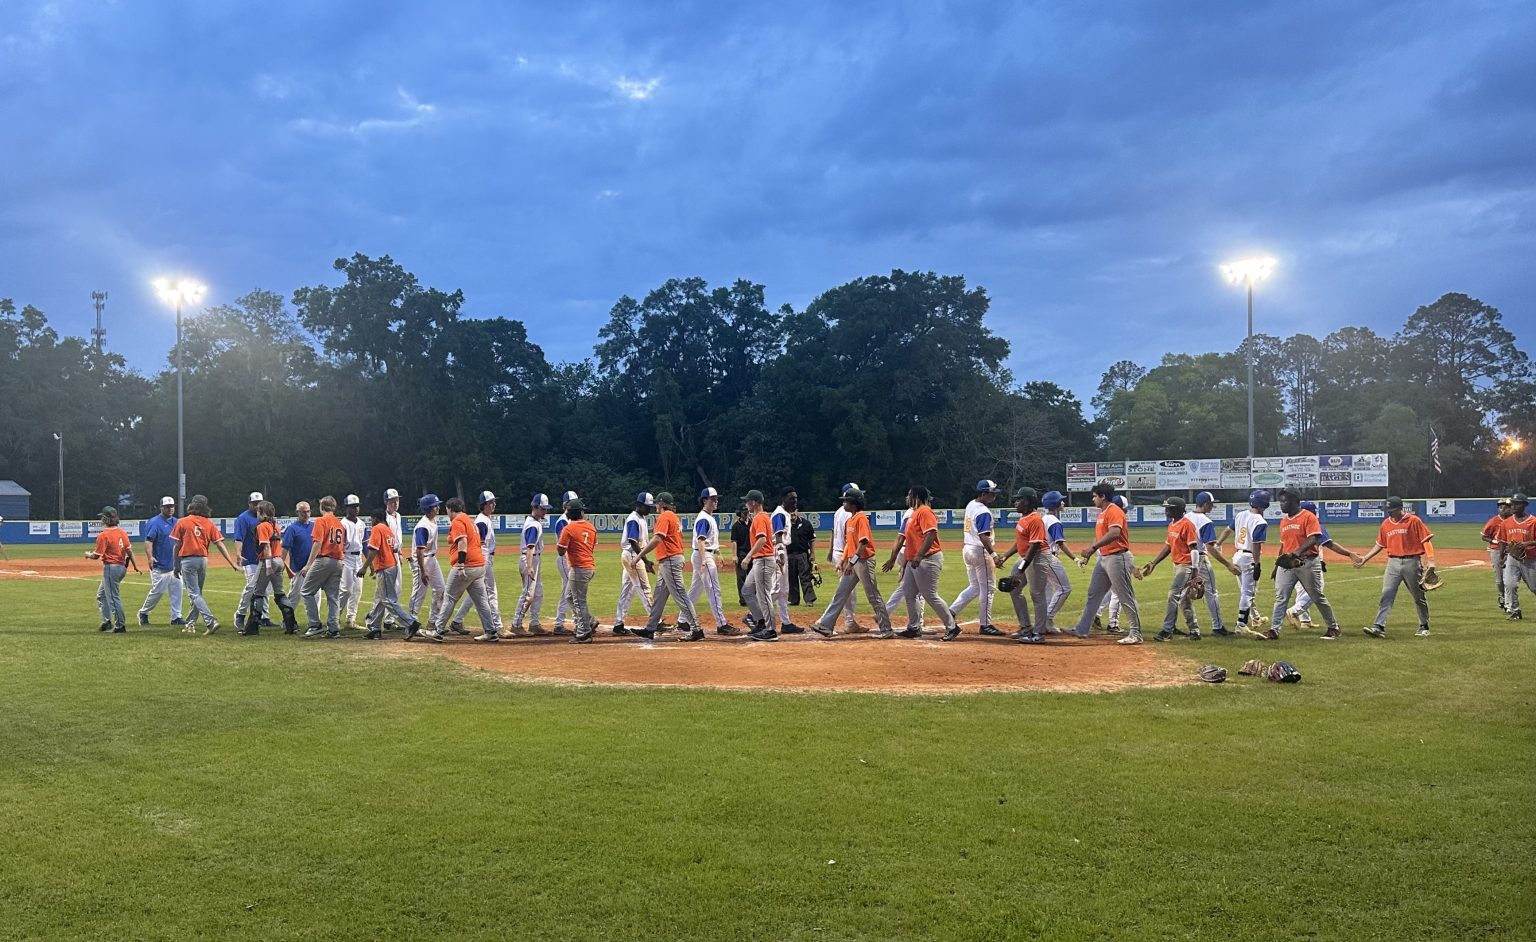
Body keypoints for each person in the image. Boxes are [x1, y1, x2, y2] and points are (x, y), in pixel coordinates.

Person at [810, 487, 893, 637]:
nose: (844, 504)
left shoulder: (861, 518)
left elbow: (863, 543)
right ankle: (826, 625)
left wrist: (851, 562)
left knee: (873, 596)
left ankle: (886, 629)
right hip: (854, 562)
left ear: (854, 503)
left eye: (846, 501)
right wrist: (843, 560)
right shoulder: (850, 520)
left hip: (864, 561)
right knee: (841, 593)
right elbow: (850, 543)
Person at [882, 485, 960, 641]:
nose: (907, 498)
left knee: (930, 594)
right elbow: (905, 538)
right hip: (914, 560)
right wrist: (896, 560)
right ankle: (914, 627)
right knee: (909, 593)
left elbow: (931, 534)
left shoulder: (924, 511)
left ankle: (952, 626)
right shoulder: (914, 513)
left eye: (909, 495)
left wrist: (919, 555)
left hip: (928, 559)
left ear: (916, 497)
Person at [1070, 482, 1143, 644]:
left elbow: (1115, 533)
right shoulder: (1102, 513)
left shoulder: (1114, 511)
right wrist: (1091, 551)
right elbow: (1099, 536)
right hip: (1104, 558)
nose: (1093, 499)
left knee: (1125, 596)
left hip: (1117, 557)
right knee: (1093, 594)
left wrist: (1093, 547)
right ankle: (1082, 628)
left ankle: (1136, 633)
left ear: (1103, 497)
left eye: (1095, 496)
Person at [421, 497, 500, 643]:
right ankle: (491, 631)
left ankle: (437, 630)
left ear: (450, 509)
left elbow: (462, 542)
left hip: (466, 565)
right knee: (481, 601)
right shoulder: (469, 519)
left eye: (447, 511)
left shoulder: (457, 521)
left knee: (449, 597)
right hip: (479, 565)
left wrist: (461, 564)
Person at [1267, 487, 1342, 640]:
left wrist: (1298, 551)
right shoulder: (1283, 522)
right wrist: (1277, 566)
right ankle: (1274, 630)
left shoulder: (1308, 517)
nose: (1282, 505)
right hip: (1287, 564)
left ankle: (1333, 627)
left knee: (1316, 596)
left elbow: (1314, 538)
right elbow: (1283, 545)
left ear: (1295, 501)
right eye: (1280, 501)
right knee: (1281, 597)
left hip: (1306, 562)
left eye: (1285, 501)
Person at [1355, 496, 1435, 638]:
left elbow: (1426, 540)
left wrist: (1431, 561)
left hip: (1412, 562)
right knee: (1387, 593)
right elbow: (1380, 544)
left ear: (1400, 508)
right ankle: (1379, 626)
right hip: (1392, 563)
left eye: (1392, 510)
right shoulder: (1386, 524)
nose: (1389, 512)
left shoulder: (1413, 521)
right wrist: (1365, 558)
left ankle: (1424, 625)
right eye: (1388, 510)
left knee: (1418, 596)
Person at [1284, 501, 1362, 630]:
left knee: (1302, 590)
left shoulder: (1290, 524)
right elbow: (1329, 544)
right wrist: (1349, 554)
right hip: (1309, 563)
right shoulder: (1313, 524)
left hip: (1293, 563)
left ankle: (1305, 620)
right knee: (1316, 590)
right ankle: (1295, 611)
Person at [1136, 497, 1204, 642]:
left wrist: (1195, 571)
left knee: (1173, 595)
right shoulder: (1172, 524)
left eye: (1169, 508)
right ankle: (1194, 631)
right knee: (1184, 600)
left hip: (1186, 566)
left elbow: (1194, 550)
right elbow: (1168, 546)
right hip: (1177, 565)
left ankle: (1167, 630)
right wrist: (1154, 563)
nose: (1166, 510)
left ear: (1179, 509)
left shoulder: (1187, 525)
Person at [171, 495, 240, 634]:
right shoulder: (209, 523)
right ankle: (190, 624)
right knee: (197, 594)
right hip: (203, 560)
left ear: (191, 505)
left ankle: (210, 621)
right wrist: (231, 563)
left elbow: (177, 546)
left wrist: (175, 565)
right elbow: (220, 544)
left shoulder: (182, 522)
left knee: (194, 594)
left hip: (188, 560)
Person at [637, 492, 701, 641]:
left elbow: (658, 538)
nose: (656, 507)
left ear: (661, 504)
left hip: (670, 560)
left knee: (680, 595)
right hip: (669, 560)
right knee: (659, 596)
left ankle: (696, 629)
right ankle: (650, 628)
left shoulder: (665, 517)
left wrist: (640, 556)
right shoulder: (673, 517)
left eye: (657, 504)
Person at [949, 479, 1006, 636]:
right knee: (988, 589)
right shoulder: (983, 511)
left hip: (968, 548)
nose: (994, 496)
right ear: (983, 493)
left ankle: (950, 612)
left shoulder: (971, 504)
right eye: (992, 493)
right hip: (980, 551)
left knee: (975, 586)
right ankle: (986, 625)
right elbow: (983, 536)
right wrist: (994, 555)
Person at [1217, 490, 1272, 636]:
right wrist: (1258, 563)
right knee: (1248, 593)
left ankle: (1255, 618)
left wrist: (1218, 543)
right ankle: (1241, 624)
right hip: (1248, 557)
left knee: (1246, 591)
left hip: (1237, 555)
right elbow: (1256, 544)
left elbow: (1228, 530)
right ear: (1265, 505)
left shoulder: (1241, 514)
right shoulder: (1260, 521)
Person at [996, 487, 1046, 644]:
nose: (1016, 502)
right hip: (1025, 558)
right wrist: (1004, 556)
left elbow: (1034, 547)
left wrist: (1020, 570)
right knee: (1014, 589)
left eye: (1019, 499)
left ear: (1028, 501)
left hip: (1037, 558)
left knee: (1037, 595)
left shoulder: (1035, 519)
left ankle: (1039, 633)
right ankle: (1025, 627)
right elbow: (1020, 543)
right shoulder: (1023, 518)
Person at [361, 508, 420, 640]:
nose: (371, 523)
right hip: (392, 565)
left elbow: (373, 551)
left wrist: (365, 567)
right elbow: (394, 548)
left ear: (376, 518)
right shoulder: (388, 530)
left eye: (372, 520)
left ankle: (410, 623)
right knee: (380, 598)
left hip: (384, 566)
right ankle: (375, 627)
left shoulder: (377, 528)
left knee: (387, 599)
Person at [687, 487, 738, 635]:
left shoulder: (709, 517)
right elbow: (701, 541)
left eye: (716, 498)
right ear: (704, 500)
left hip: (705, 555)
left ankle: (683, 619)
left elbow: (710, 542)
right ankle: (721, 624)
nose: (716, 501)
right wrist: (704, 560)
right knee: (714, 590)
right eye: (712, 499)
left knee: (695, 590)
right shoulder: (703, 518)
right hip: (703, 556)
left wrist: (718, 553)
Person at [1185, 492, 1238, 636]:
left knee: (1182, 593)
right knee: (1211, 593)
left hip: (1183, 558)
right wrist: (1227, 564)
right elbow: (1210, 547)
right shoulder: (1205, 521)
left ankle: (1179, 626)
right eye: (1211, 504)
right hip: (1200, 559)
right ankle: (1217, 626)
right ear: (1206, 504)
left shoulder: (1186, 517)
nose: (1213, 506)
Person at [453, 491, 504, 635]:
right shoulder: (482, 521)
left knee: (475, 593)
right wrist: (481, 561)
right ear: (484, 505)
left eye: (494, 502)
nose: (494, 505)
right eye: (490, 503)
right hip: (483, 557)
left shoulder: (485, 519)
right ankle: (497, 626)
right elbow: (478, 543)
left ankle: (457, 620)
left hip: (485, 557)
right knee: (491, 591)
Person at [242, 500, 295, 636]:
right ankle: (291, 624)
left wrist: (268, 566)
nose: (257, 514)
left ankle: (252, 627)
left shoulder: (263, 526)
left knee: (257, 593)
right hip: (279, 560)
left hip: (268, 561)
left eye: (259, 511)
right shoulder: (275, 525)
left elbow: (266, 547)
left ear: (262, 512)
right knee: (280, 593)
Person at [87, 507, 139, 632]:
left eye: (102, 517)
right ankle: (107, 622)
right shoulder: (122, 533)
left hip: (111, 568)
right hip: (121, 567)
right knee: (101, 595)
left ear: (105, 519)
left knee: (113, 597)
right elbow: (129, 551)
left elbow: (96, 556)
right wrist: (135, 566)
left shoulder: (103, 535)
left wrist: (88, 555)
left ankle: (120, 625)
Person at [301, 496, 346, 639]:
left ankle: (315, 625)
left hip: (324, 559)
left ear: (322, 507)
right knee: (333, 596)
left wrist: (308, 565)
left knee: (306, 591)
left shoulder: (321, 521)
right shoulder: (339, 523)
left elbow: (317, 543)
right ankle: (333, 628)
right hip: (338, 561)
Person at [136, 496, 184, 627]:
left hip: (175, 565)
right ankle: (144, 612)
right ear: (161, 507)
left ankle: (176, 617)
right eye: (167, 506)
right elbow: (148, 541)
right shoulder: (155, 522)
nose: (170, 509)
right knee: (157, 591)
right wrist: (150, 557)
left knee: (177, 591)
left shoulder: (177, 522)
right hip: (160, 564)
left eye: (172, 506)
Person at [742, 490, 782, 641]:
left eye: (747, 502)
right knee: (746, 590)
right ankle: (760, 622)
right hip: (761, 560)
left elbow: (762, 540)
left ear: (754, 502)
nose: (746, 504)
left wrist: (748, 556)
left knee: (763, 595)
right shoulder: (761, 517)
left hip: (764, 559)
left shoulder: (760, 518)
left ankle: (770, 630)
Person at [882, 503, 929, 634]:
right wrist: (897, 560)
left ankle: (884, 613)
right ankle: (918, 623)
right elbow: (902, 536)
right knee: (918, 591)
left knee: (906, 587)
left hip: (906, 552)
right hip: (909, 552)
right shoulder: (913, 514)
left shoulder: (911, 512)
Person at [558, 499, 601, 643]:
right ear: (581, 513)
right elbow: (593, 545)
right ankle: (589, 620)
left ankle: (584, 633)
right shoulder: (590, 527)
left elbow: (560, 550)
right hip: (589, 567)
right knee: (569, 596)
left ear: (569, 513)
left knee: (579, 601)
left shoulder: (568, 528)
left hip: (578, 568)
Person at [614, 492, 657, 634]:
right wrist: (644, 560)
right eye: (647, 506)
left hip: (632, 556)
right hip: (633, 557)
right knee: (644, 588)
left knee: (627, 591)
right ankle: (655, 620)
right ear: (639, 505)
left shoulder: (640, 518)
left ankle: (618, 624)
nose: (650, 509)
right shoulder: (634, 519)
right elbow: (632, 541)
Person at [510, 493, 551, 636]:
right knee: (528, 594)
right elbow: (530, 548)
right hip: (529, 559)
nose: (545, 511)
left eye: (546, 509)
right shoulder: (533, 525)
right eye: (542, 508)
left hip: (534, 559)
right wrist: (529, 566)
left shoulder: (534, 522)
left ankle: (534, 623)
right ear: (534, 507)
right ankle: (516, 624)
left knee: (538, 592)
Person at [825, 482, 863, 632]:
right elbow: (851, 539)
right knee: (845, 591)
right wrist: (847, 560)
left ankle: (849, 621)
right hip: (846, 553)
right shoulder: (850, 513)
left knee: (847, 591)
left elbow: (833, 532)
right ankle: (826, 621)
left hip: (838, 551)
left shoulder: (838, 511)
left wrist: (830, 551)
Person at [1035, 491, 1074, 634]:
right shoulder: (1054, 522)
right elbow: (1061, 544)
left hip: (1040, 557)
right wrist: (1075, 558)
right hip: (1049, 557)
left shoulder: (1043, 518)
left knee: (1046, 592)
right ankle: (1047, 619)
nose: (1063, 502)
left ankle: (1042, 624)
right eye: (1061, 500)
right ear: (1055, 504)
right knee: (1064, 589)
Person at [232, 491, 268, 632]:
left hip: (263, 559)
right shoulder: (243, 518)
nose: (257, 506)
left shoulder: (265, 518)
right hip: (250, 559)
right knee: (251, 587)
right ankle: (240, 614)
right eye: (254, 504)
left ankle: (264, 617)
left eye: (259, 503)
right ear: (249, 504)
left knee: (265, 589)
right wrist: (238, 554)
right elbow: (238, 538)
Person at [411, 494, 448, 630]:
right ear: (428, 508)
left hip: (432, 558)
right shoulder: (423, 526)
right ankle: (411, 622)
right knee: (419, 592)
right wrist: (423, 570)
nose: (438, 507)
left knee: (440, 589)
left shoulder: (432, 521)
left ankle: (433, 622)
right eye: (435, 505)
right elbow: (420, 550)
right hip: (422, 560)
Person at [1500, 493, 1536, 620]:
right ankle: (1515, 611)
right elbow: (1503, 541)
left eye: (1517, 503)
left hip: (1530, 559)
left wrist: (1526, 543)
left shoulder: (1533, 521)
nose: (1514, 506)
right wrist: (1501, 557)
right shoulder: (1506, 523)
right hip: (1512, 558)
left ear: (1525, 505)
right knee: (1510, 584)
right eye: (1512, 504)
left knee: (1534, 587)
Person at [376, 487, 408, 629]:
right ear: (386, 502)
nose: (395, 503)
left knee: (397, 588)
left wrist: (400, 553)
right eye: (392, 501)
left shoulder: (398, 516)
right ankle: (379, 619)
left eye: (397, 500)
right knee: (385, 590)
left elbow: (398, 537)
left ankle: (389, 620)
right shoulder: (384, 518)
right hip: (387, 555)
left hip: (396, 553)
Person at [280, 501, 314, 634]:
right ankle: (287, 620)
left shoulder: (314, 526)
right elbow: (285, 548)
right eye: (303, 512)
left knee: (314, 596)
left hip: (312, 567)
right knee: (294, 596)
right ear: (297, 513)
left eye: (308, 511)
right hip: (299, 568)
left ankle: (313, 622)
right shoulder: (292, 529)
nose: (306, 514)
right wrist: (281, 565)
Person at [770, 489, 801, 630]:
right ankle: (754, 615)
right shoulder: (779, 515)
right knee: (776, 589)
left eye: (795, 499)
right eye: (791, 499)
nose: (794, 501)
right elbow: (778, 537)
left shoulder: (785, 514)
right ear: (783, 499)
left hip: (781, 551)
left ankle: (786, 623)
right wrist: (781, 556)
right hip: (778, 551)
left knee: (783, 590)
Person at [551, 490, 580, 635]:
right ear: (565, 505)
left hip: (571, 559)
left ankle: (559, 624)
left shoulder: (573, 520)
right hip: (564, 559)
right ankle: (580, 622)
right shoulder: (562, 521)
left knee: (566, 591)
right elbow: (563, 544)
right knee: (572, 590)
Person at [338, 494, 367, 630]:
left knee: (357, 590)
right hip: (346, 557)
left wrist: (370, 564)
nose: (355, 509)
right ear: (346, 508)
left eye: (357, 506)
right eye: (352, 507)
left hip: (358, 558)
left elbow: (365, 545)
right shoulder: (342, 524)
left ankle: (351, 619)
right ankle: (335, 617)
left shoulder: (361, 524)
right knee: (345, 590)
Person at [1482, 498, 1514, 611]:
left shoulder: (1513, 520)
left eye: (1507, 507)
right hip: (1496, 551)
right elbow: (1484, 536)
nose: (1505, 509)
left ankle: (1509, 602)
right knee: (1500, 579)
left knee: (1509, 579)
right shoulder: (1494, 521)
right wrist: (1494, 541)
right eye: (1502, 507)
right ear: (1499, 509)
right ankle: (1502, 596)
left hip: (1511, 551)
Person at [787, 507, 817, 606]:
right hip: (789, 554)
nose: (792, 514)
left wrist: (812, 554)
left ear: (797, 511)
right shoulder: (785, 525)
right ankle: (793, 599)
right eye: (790, 512)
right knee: (791, 578)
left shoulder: (806, 524)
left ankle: (809, 600)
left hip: (802, 554)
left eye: (793, 511)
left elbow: (811, 540)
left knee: (805, 577)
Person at [731, 505, 752, 609]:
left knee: (753, 577)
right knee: (741, 577)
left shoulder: (752, 523)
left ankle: (753, 598)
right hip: (741, 553)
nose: (746, 514)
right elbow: (734, 542)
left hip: (752, 552)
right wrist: (734, 555)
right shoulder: (736, 526)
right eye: (744, 512)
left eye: (747, 512)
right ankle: (743, 600)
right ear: (740, 513)